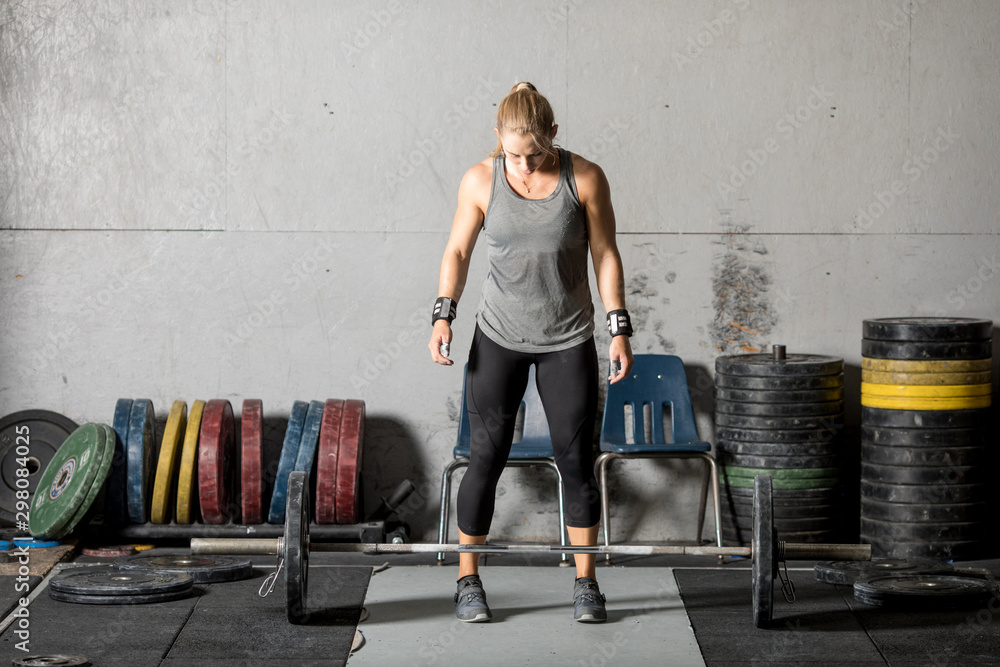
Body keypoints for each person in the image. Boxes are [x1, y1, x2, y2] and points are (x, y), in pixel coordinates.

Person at [427, 82, 634, 623]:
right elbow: (457, 249)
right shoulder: (480, 179)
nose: (522, 164)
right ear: (497, 136)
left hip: (566, 339)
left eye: (534, 153)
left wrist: (619, 329)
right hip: (498, 337)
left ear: (553, 138)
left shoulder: (584, 178)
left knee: (576, 462)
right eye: (512, 153)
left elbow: (606, 254)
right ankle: (468, 580)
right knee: (485, 459)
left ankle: (586, 584)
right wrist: (443, 315)